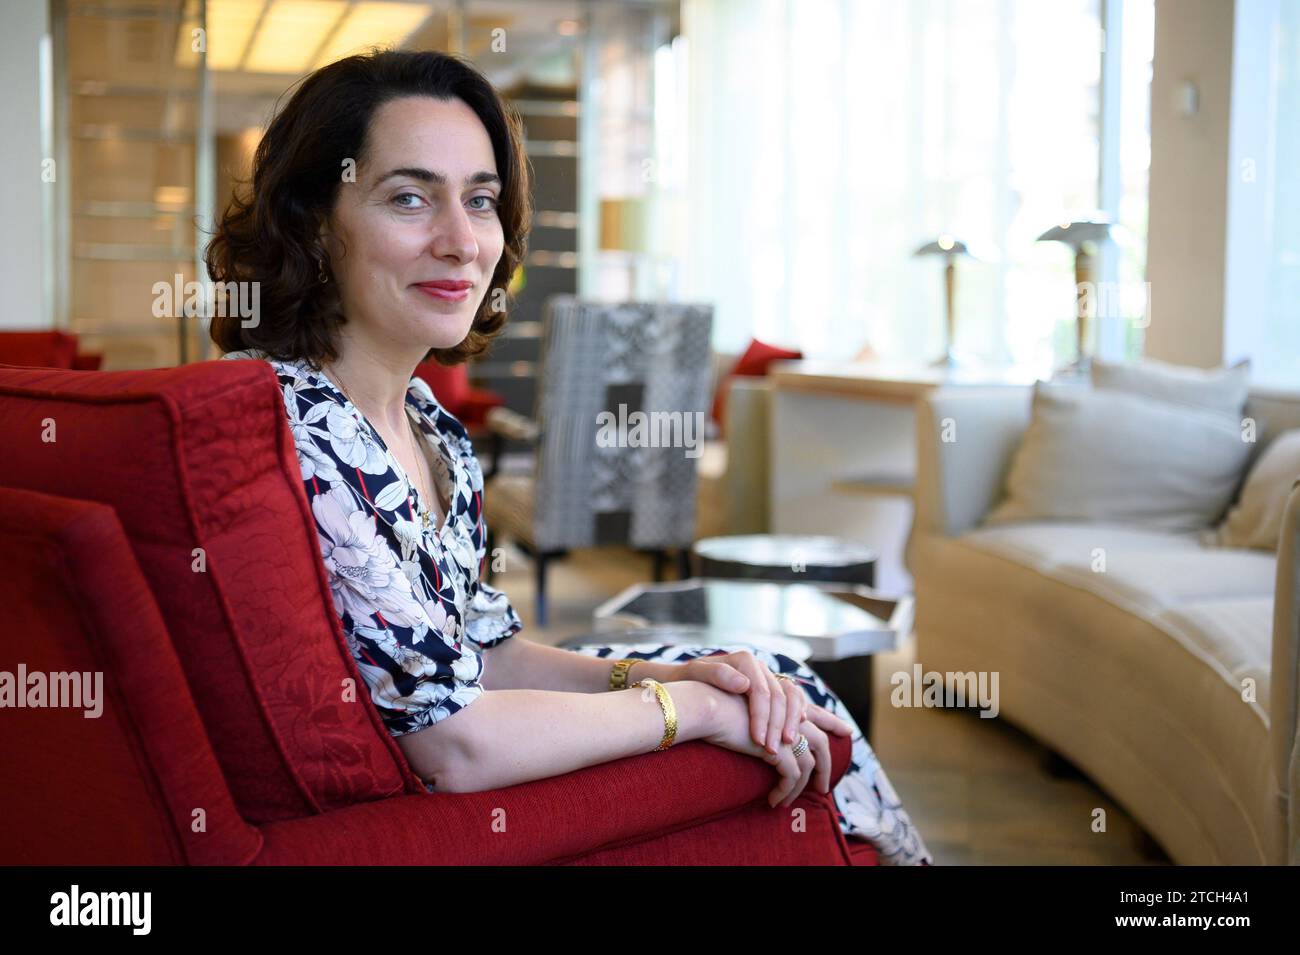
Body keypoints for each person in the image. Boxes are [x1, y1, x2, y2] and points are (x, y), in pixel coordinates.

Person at [207, 49, 931, 866]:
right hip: (424, 815)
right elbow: (455, 745)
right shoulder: (288, 425)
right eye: (409, 198)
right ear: (311, 222)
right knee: (760, 713)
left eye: (479, 201)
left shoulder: (427, 423)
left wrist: (688, 671)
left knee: (770, 673)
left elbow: (495, 652)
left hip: (473, 740)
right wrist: (688, 710)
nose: (460, 241)